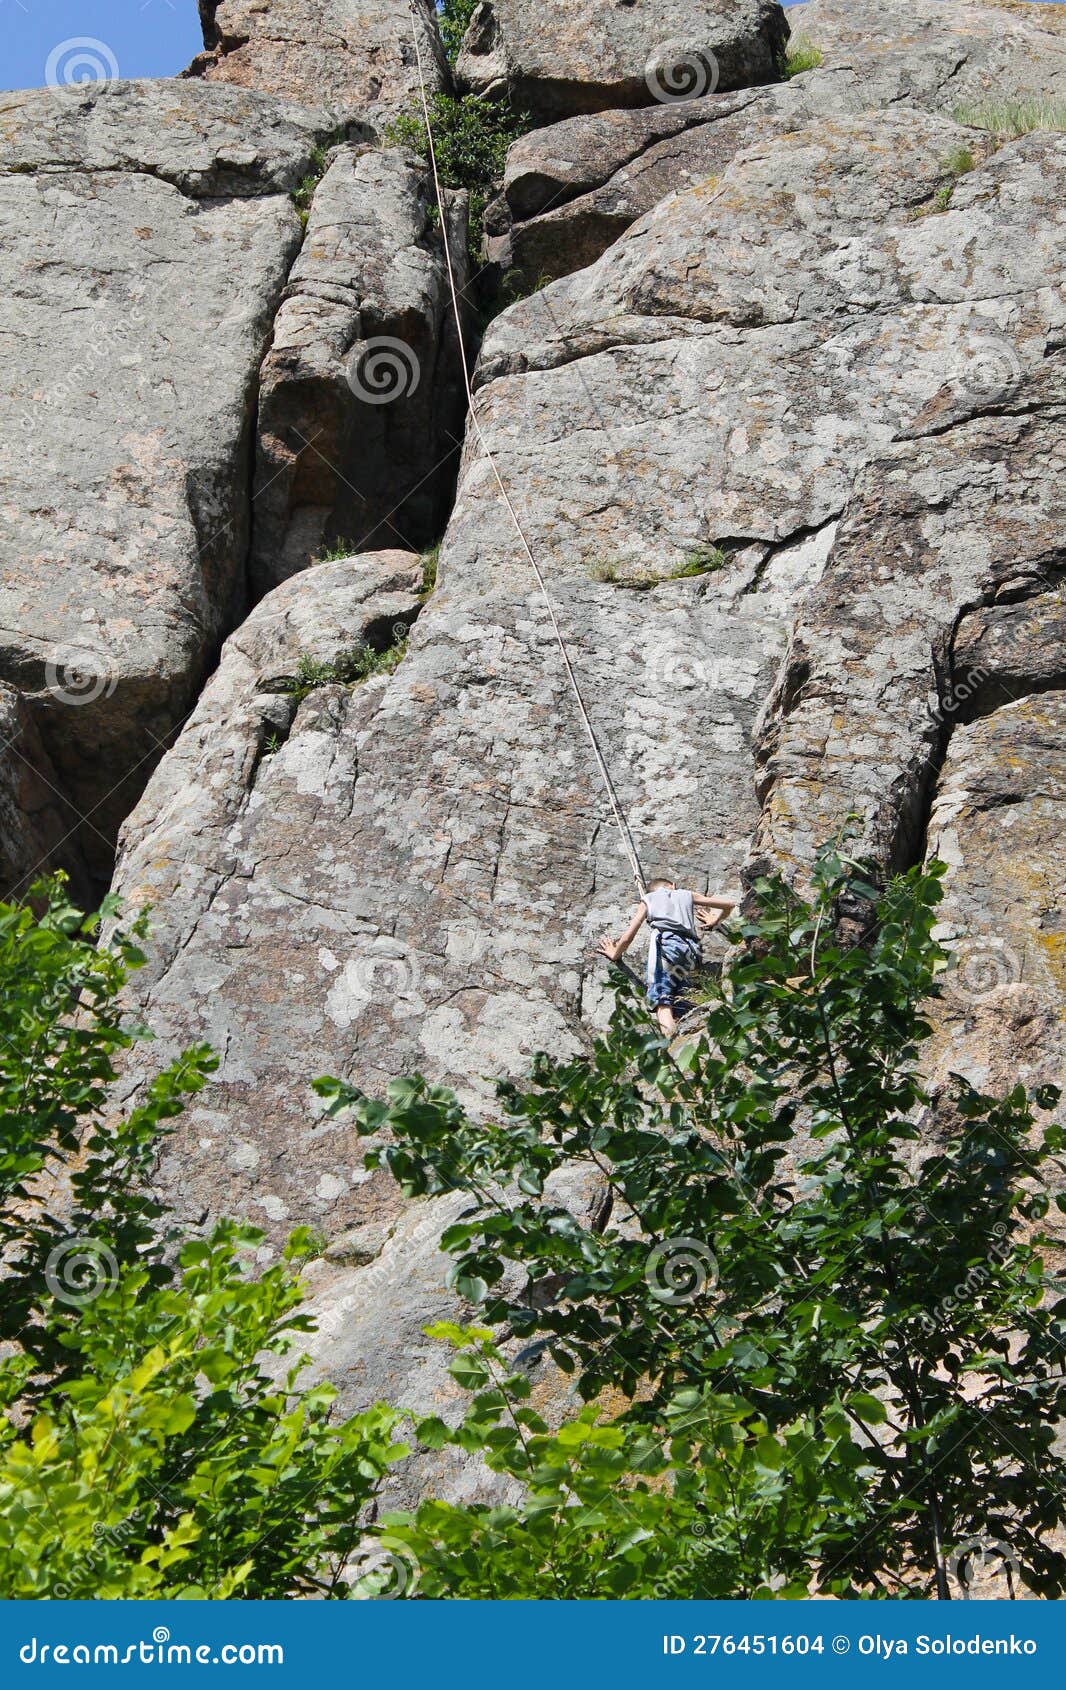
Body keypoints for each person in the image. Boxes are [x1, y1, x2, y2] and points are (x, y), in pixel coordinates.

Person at [596, 877, 736, 1037]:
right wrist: (715, 920)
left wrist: (615, 953)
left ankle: (671, 1043)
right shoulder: (687, 894)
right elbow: (729, 905)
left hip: (667, 949)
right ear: (673, 886)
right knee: (682, 996)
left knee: (662, 1000)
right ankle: (686, 1034)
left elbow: (629, 935)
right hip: (691, 951)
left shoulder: (648, 899)